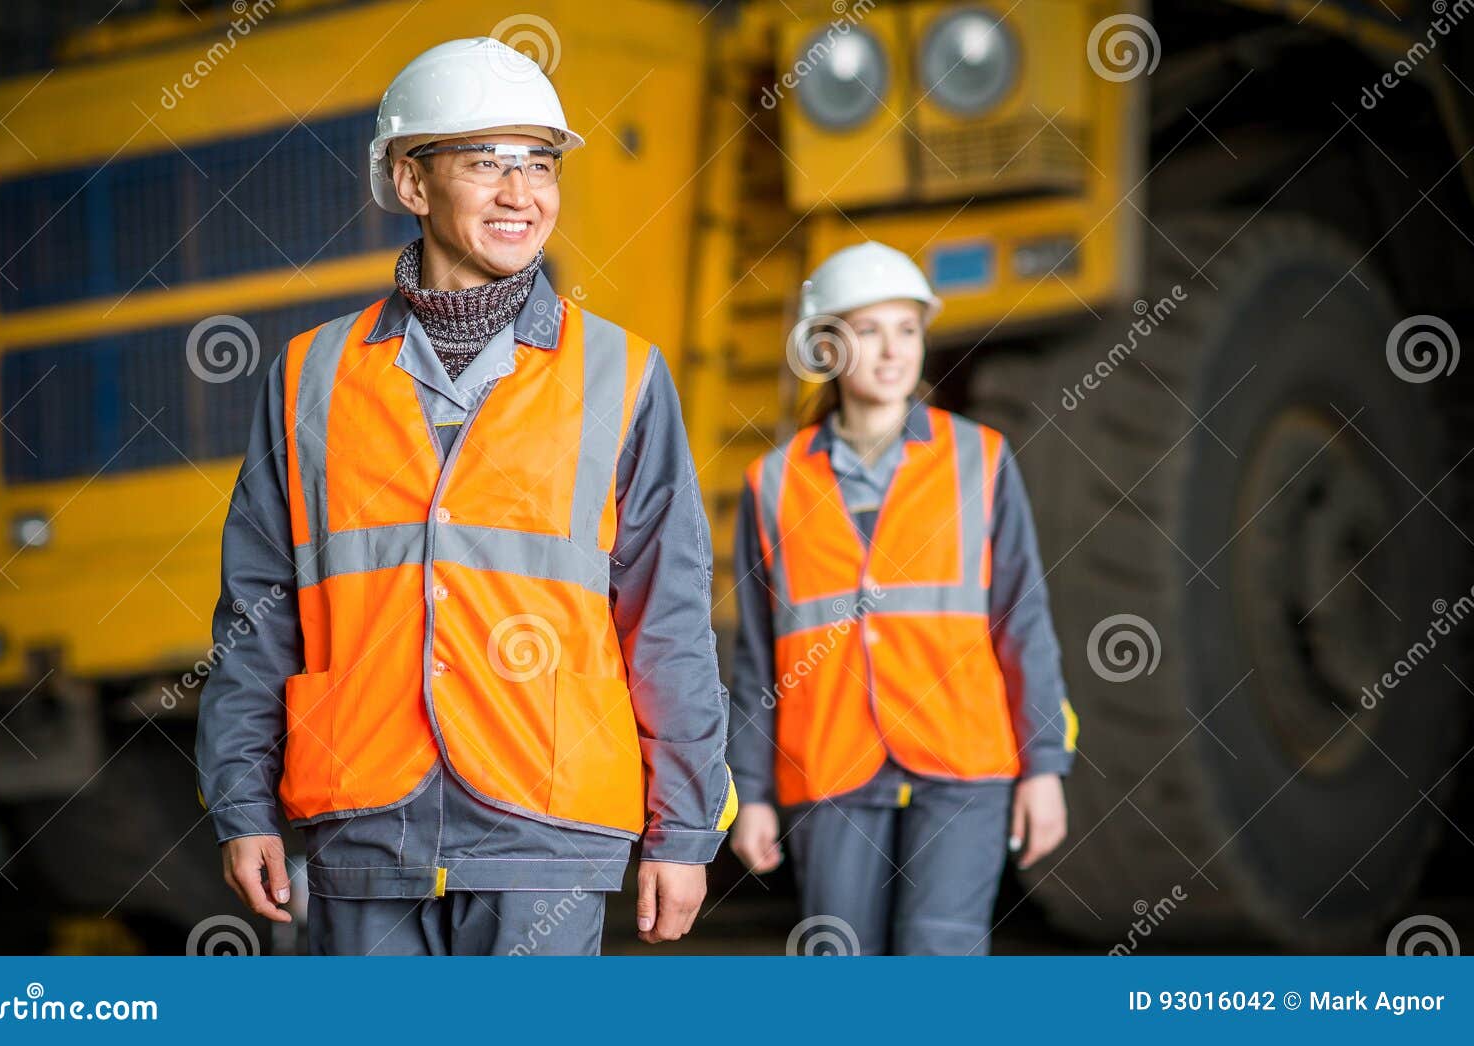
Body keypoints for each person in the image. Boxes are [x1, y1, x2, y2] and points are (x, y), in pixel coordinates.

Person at [195, 37, 735, 956]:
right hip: (364, 815)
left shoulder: (622, 373)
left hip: (546, 821)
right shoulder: (308, 377)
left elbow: (668, 615)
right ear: (411, 182)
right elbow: (257, 612)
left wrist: (683, 829)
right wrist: (241, 803)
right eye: (487, 163)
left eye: (540, 164)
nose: (521, 193)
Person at [726, 241, 1076, 955]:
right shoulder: (773, 483)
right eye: (869, 330)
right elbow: (756, 657)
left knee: (939, 959)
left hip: (963, 758)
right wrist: (750, 793)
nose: (893, 351)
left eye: (908, 330)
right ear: (825, 347)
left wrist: (1045, 766)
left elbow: (1023, 621)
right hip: (831, 761)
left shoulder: (979, 458)